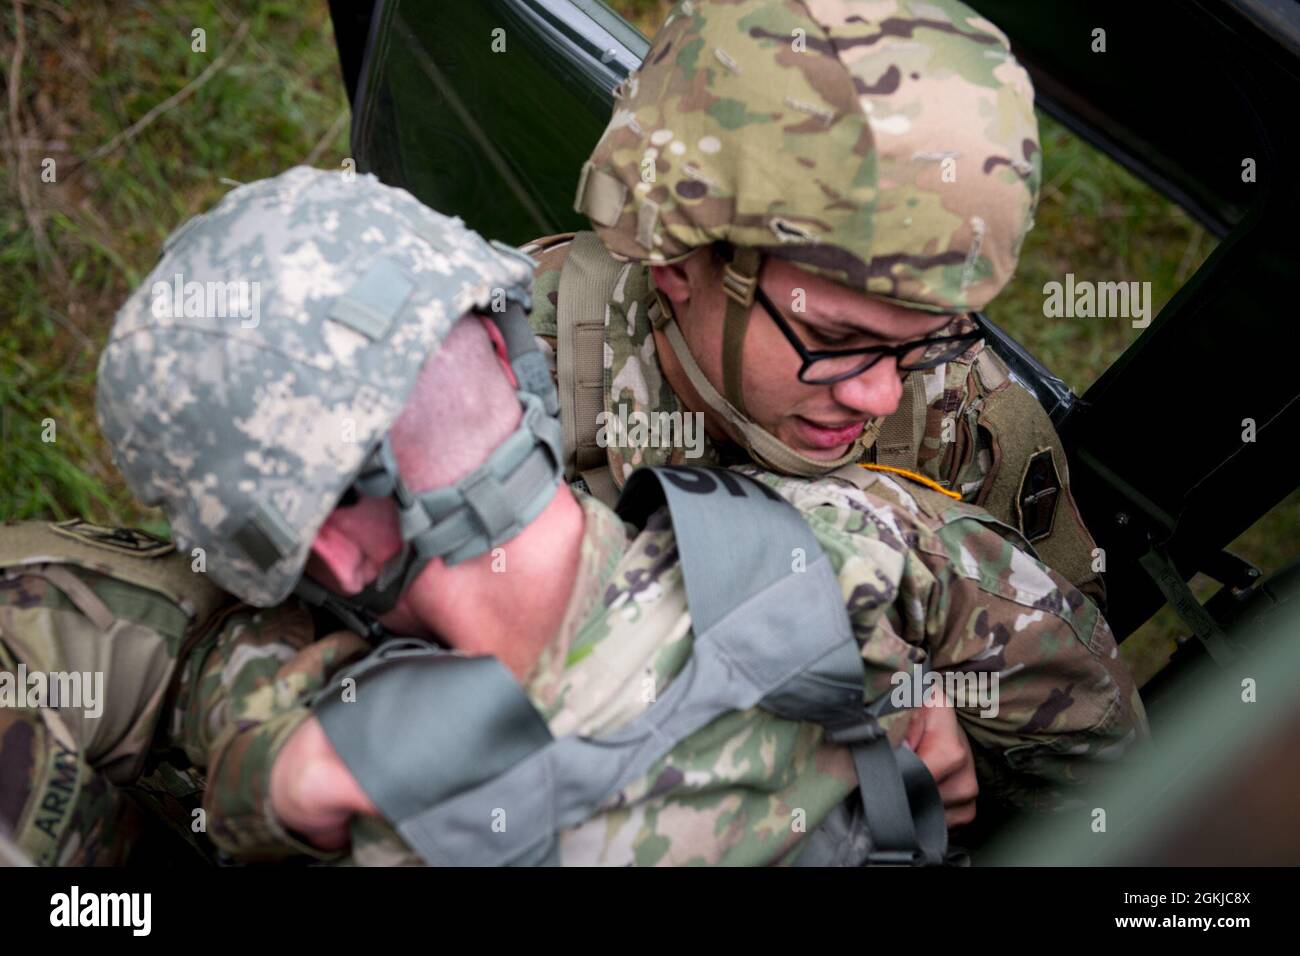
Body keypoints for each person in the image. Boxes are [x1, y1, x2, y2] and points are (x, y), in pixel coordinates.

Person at [89, 167, 1146, 865]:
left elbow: (194, 681)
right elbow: (1118, 756)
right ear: (515, 353)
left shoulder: (357, 804)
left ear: (318, 544)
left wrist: (275, 769)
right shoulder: (860, 544)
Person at [526, 0, 1105, 604]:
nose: (881, 395)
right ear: (678, 260)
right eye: (834, 339)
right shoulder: (494, 381)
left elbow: (1067, 661)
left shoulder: (967, 418)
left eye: (923, 334)